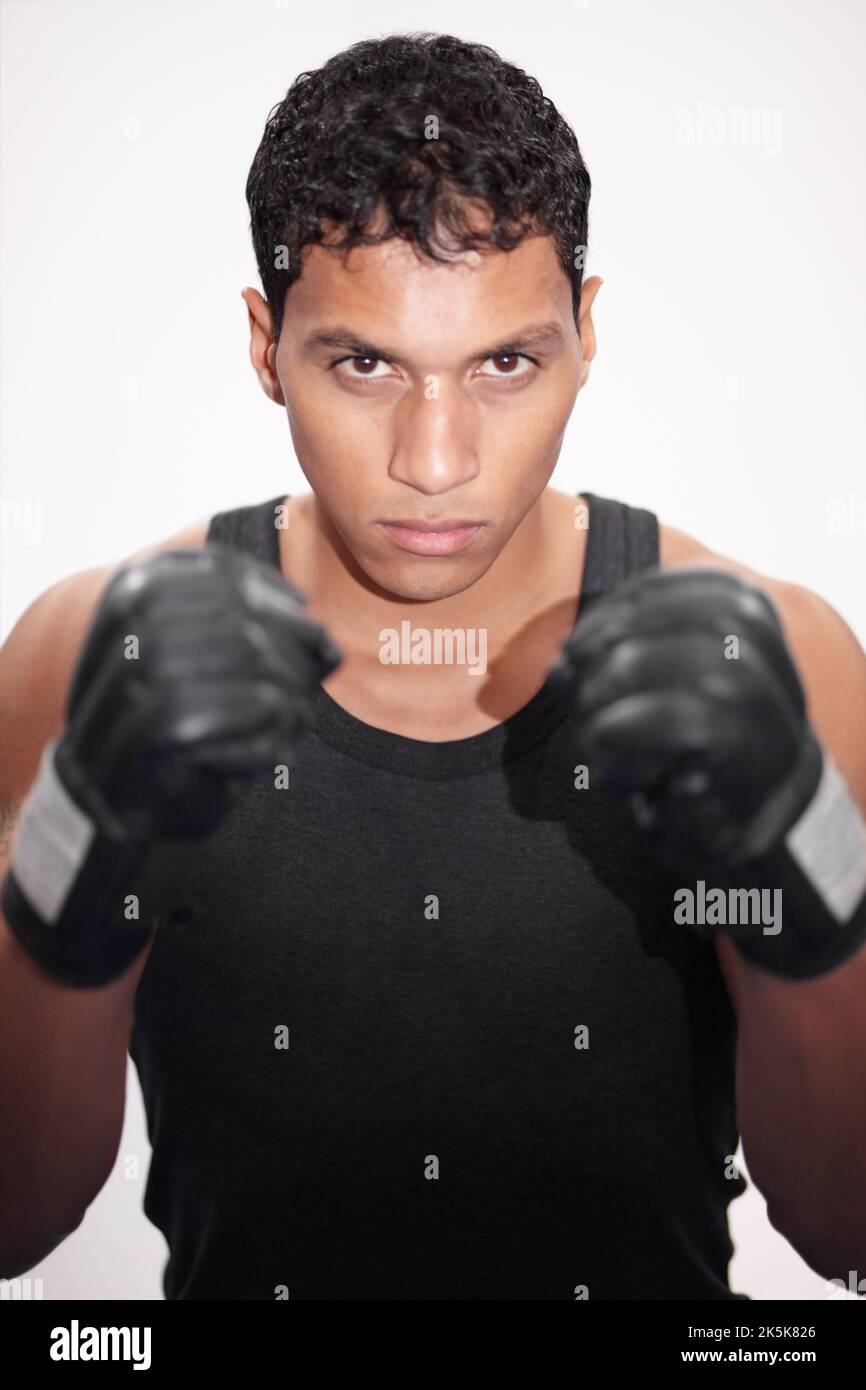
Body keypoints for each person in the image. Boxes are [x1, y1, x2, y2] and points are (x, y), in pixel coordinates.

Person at [1, 32, 865, 1301]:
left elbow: (846, 1231)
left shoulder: (776, 655)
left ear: (584, 332)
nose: (435, 459)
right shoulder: (85, 655)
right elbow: (13, 1219)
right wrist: (72, 857)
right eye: (364, 363)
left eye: (503, 363)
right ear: (264, 345)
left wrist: (805, 864)